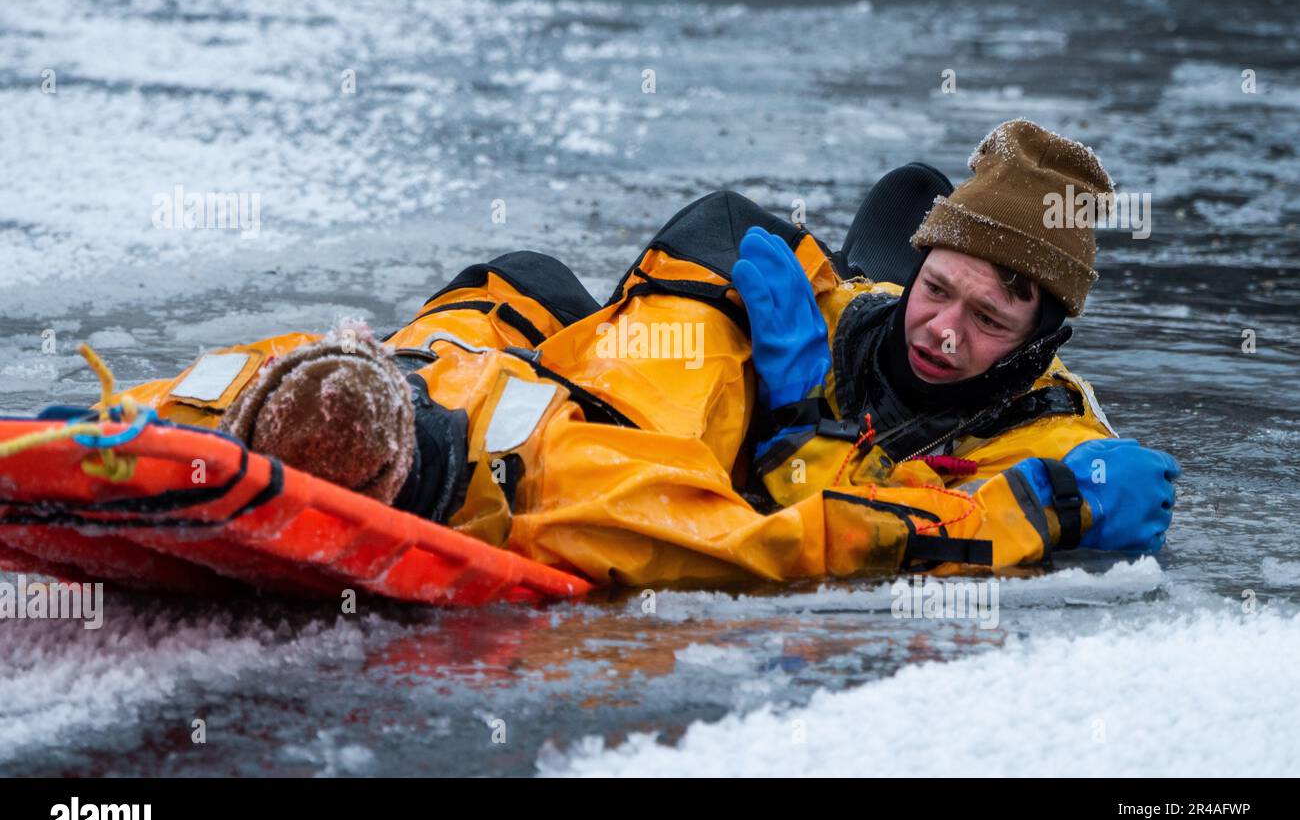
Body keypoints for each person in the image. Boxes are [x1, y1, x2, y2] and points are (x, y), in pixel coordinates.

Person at [112, 119, 1179, 586]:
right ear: (915, 268)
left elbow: (895, 532)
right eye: (934, 291)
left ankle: (443, 458)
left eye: (988, 322)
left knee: (621, 422)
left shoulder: (1047, 439)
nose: (944, 331)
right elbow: (728, 232)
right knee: (523, 283)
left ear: (1043, 337)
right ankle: (381, 385)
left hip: (673, 486)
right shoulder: (855, 306)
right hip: (657, 427)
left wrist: (1049, 507)